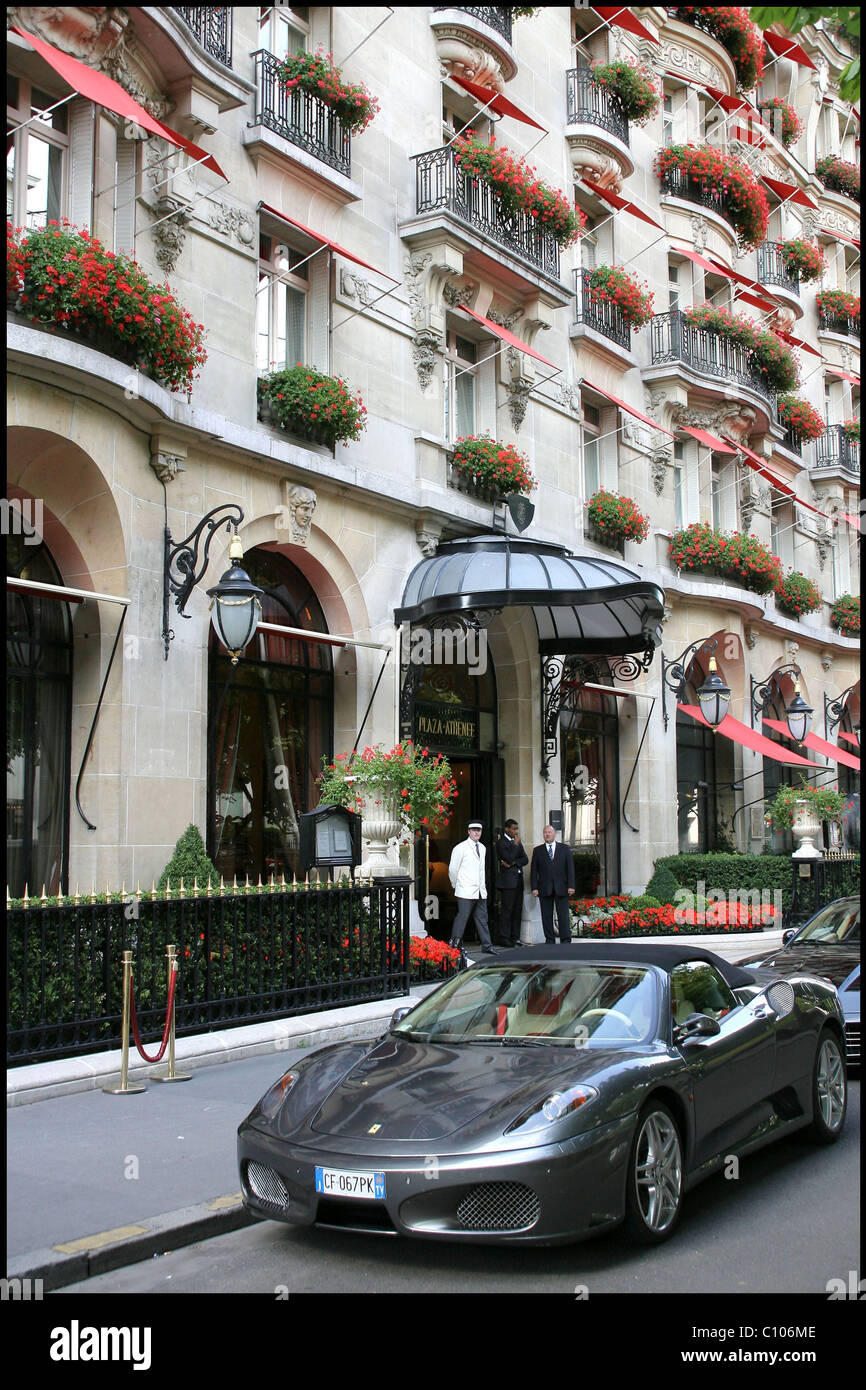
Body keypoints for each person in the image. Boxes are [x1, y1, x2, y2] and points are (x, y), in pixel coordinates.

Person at [448, 821, 499, 954]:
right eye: (474, 830)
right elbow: (453, 869)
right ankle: (454, 945)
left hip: (480, 890)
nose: (476, 832)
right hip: (465, 889)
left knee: (482, 918)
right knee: (462, 917)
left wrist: (483, 888)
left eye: (479, 830)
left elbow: (481, 870)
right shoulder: (460, 848)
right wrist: (455, 884)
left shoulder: (482, 848)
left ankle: (487, 945)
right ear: (469, 831)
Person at [530, 825, 575, 944]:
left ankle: (565, 940)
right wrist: (534, 887)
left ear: (554, 834)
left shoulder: (564, 849)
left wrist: (571, 886)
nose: (547, 834)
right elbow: (534, 871)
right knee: (546, 916)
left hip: (562, 887)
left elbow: (570, 869)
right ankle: (550, 940)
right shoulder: (537, 850)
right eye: (545, 832)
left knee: (563, 915)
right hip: (544, 888)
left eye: (549, 832)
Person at [495, 818, 528, 947]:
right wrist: (514, 846)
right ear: (507, 829)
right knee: (507, 910)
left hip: (518, 880)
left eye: (516, 829)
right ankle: (504, 937)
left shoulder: (517, 841)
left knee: (517, 909)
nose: (516, 831)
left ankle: (516, 937)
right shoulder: (501, 843)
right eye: (513, 829)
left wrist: (513, 863)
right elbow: (507, 857)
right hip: (508, 882)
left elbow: (525, 859)